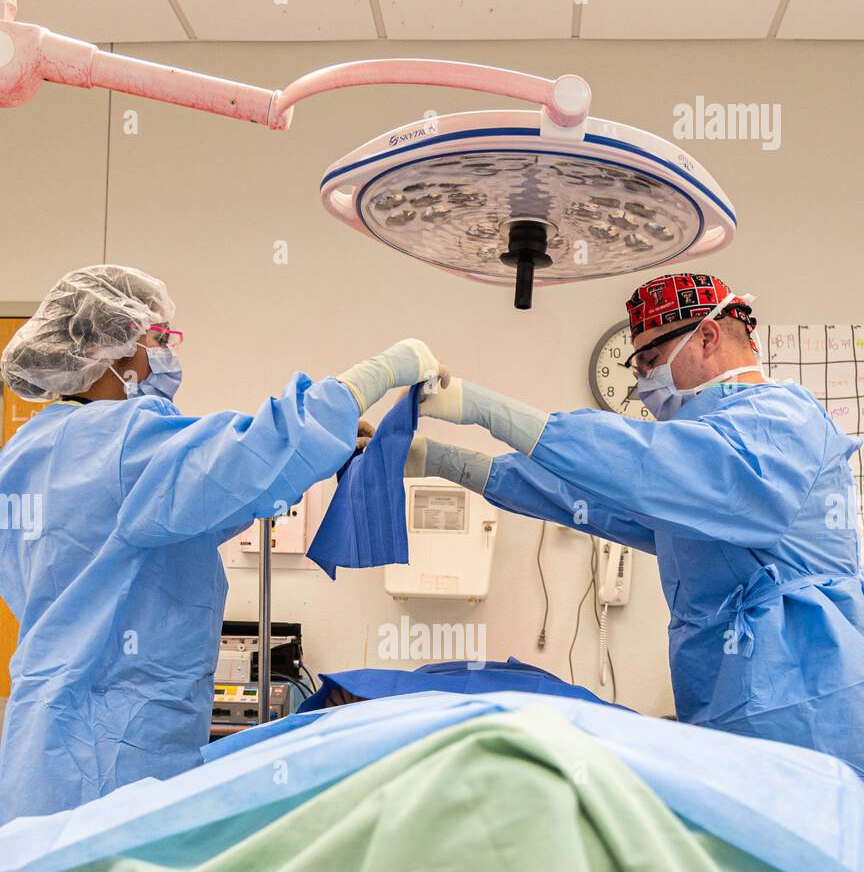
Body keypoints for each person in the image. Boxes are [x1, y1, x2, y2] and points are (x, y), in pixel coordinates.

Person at [0, 264, 447, 824]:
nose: (165, 356)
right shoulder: (120, 446)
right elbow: (247, 457)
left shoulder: (26, 453)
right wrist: (377, 375)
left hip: (43, 740)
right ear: (97, 347)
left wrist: (322, 456)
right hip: (112, 748)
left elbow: (183, 515)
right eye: (155, 340)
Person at [408, 272, 864, 777]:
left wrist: (483, 408)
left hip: (806, 698)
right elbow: (589, 500)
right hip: (727, 687)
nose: (643, 382)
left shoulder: (781, 418)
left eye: (649, 361)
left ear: (708, 337)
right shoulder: (698, 453)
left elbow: (649, 464)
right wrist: (443, 461)